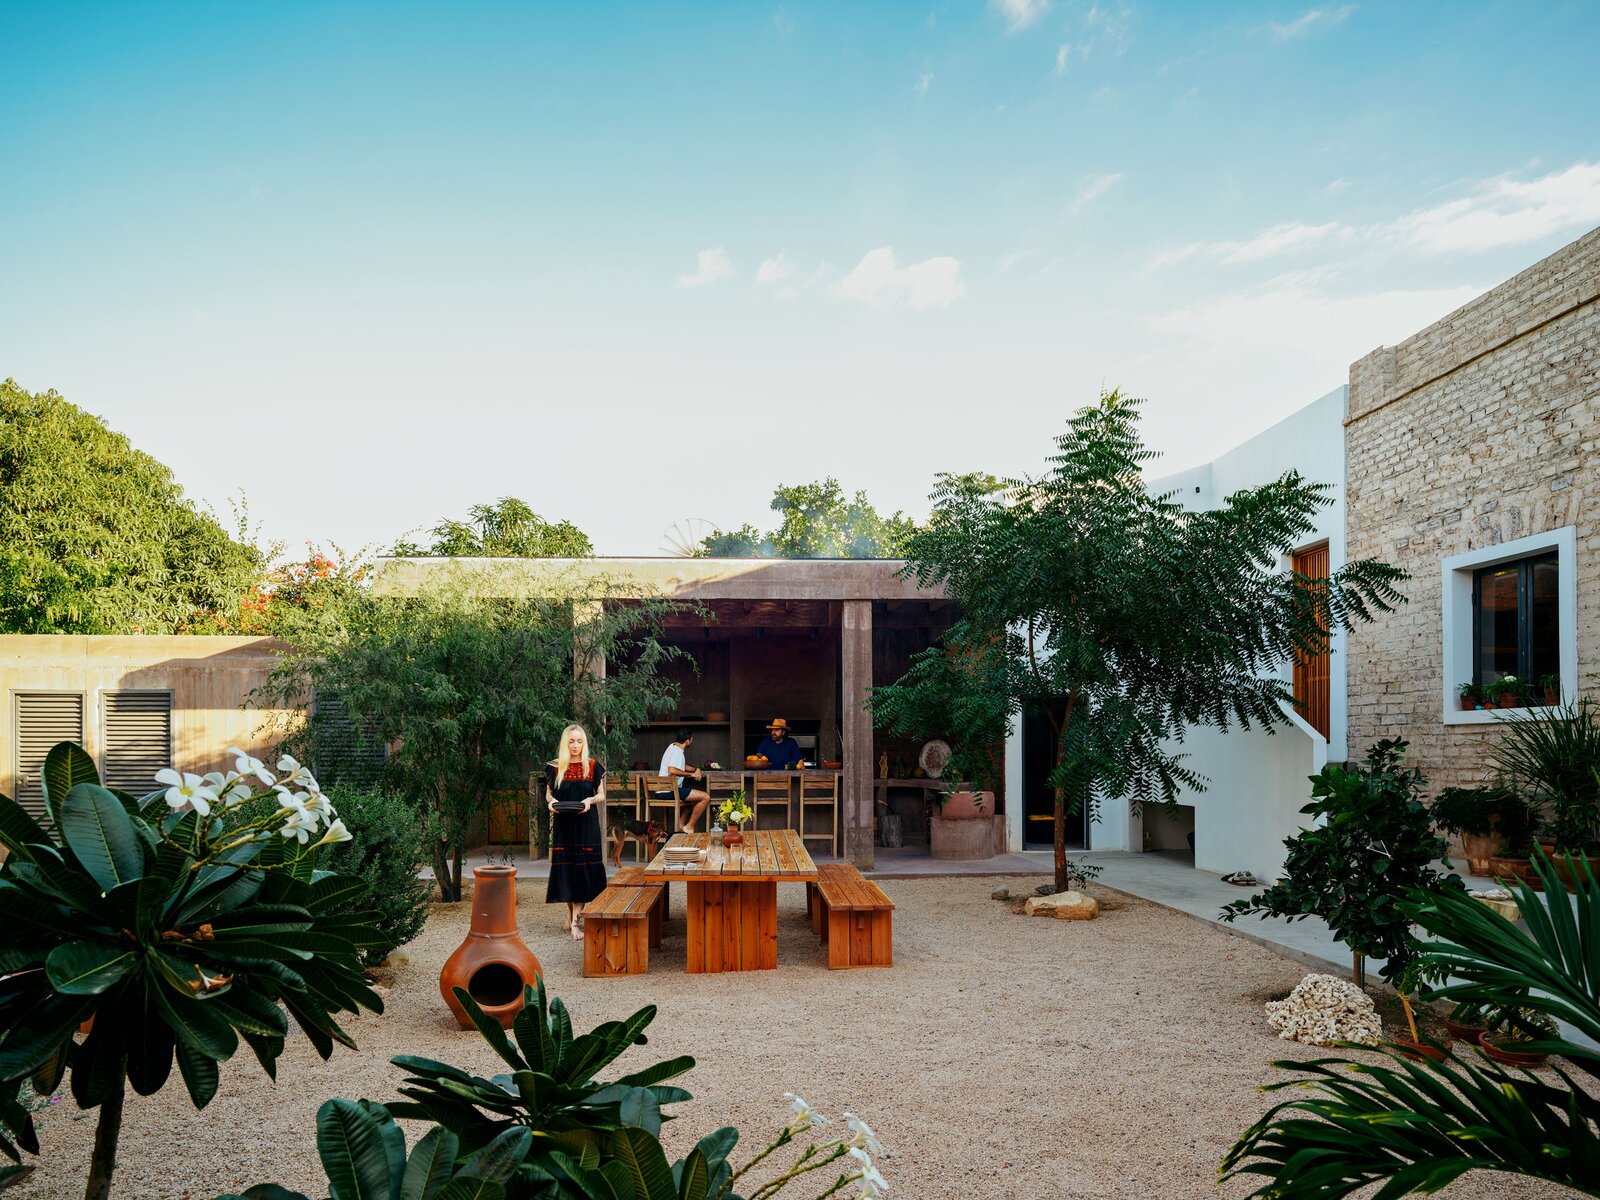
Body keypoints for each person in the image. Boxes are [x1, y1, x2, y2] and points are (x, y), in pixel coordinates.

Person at [545, 723, 607, 941]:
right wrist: (551, 802)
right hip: (564, 824)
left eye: (579, 741)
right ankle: (571, 914)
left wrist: (590, 800)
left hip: (586, 824)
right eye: (571, 741)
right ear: (565, 742)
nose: (575, 745)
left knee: (581, 870)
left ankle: (574, 923)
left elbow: (601, 795)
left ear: (584, 743)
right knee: (567, 869)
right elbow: (548, 794)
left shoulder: (592, 765)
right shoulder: (555, 767)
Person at [658, 729, 711, 833]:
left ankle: (680, 824)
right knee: (705, 797)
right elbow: (671, 770)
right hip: (669, 791)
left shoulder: (672, 747)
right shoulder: (677, 752)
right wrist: (691, 774)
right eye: (691, 739)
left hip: (664, 790)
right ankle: (689, 827)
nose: (692, 741)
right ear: (687, 741)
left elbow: (681, 765)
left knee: (694, 799)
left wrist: (695, 769)